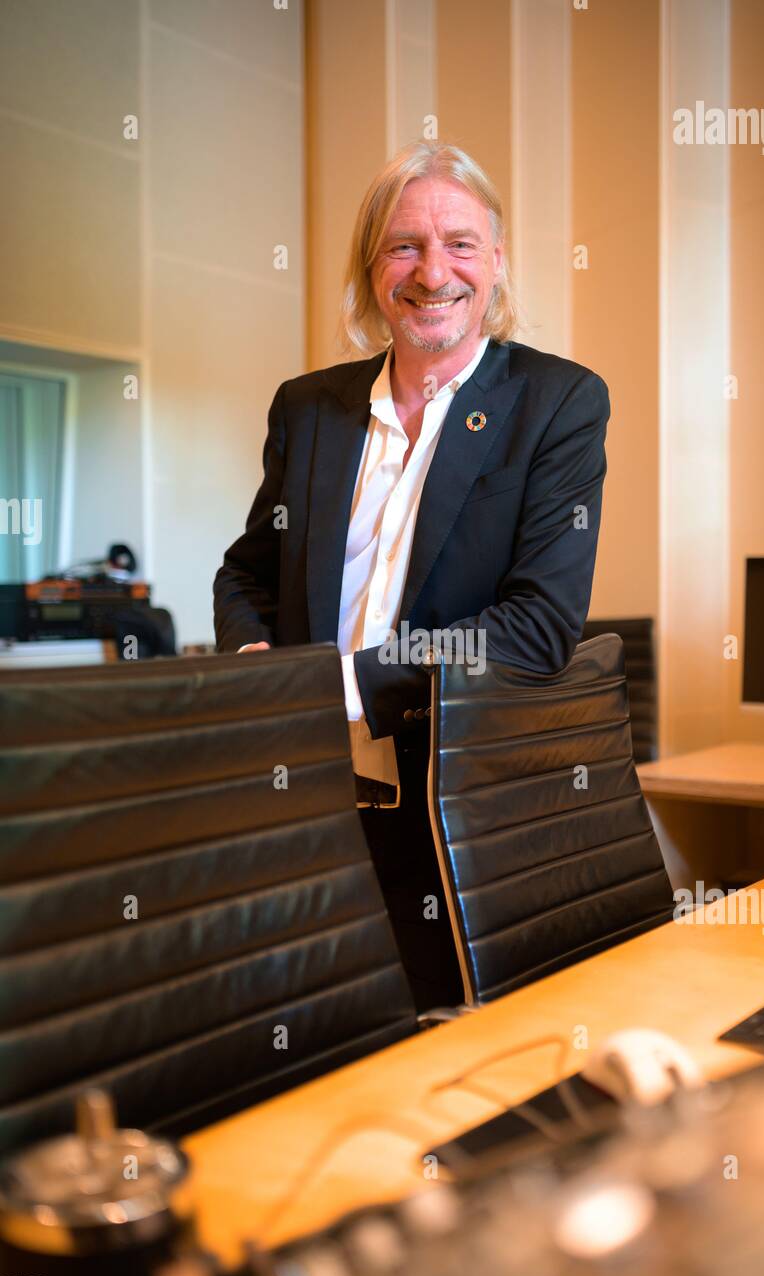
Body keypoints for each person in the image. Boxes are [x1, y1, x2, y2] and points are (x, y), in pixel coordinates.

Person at [214, 140, 609, 1011]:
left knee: (437, 1053)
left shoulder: (558, 402)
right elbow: (249, 569)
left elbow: (539, 623)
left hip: (451, 807)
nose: (434, 272)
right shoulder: (308, 407)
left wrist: (339, 686)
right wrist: (255, 661)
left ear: (496, 265)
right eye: (405, 246)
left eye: (460, 244)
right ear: (372, 267)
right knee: (304, 1042)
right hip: (304, 795)